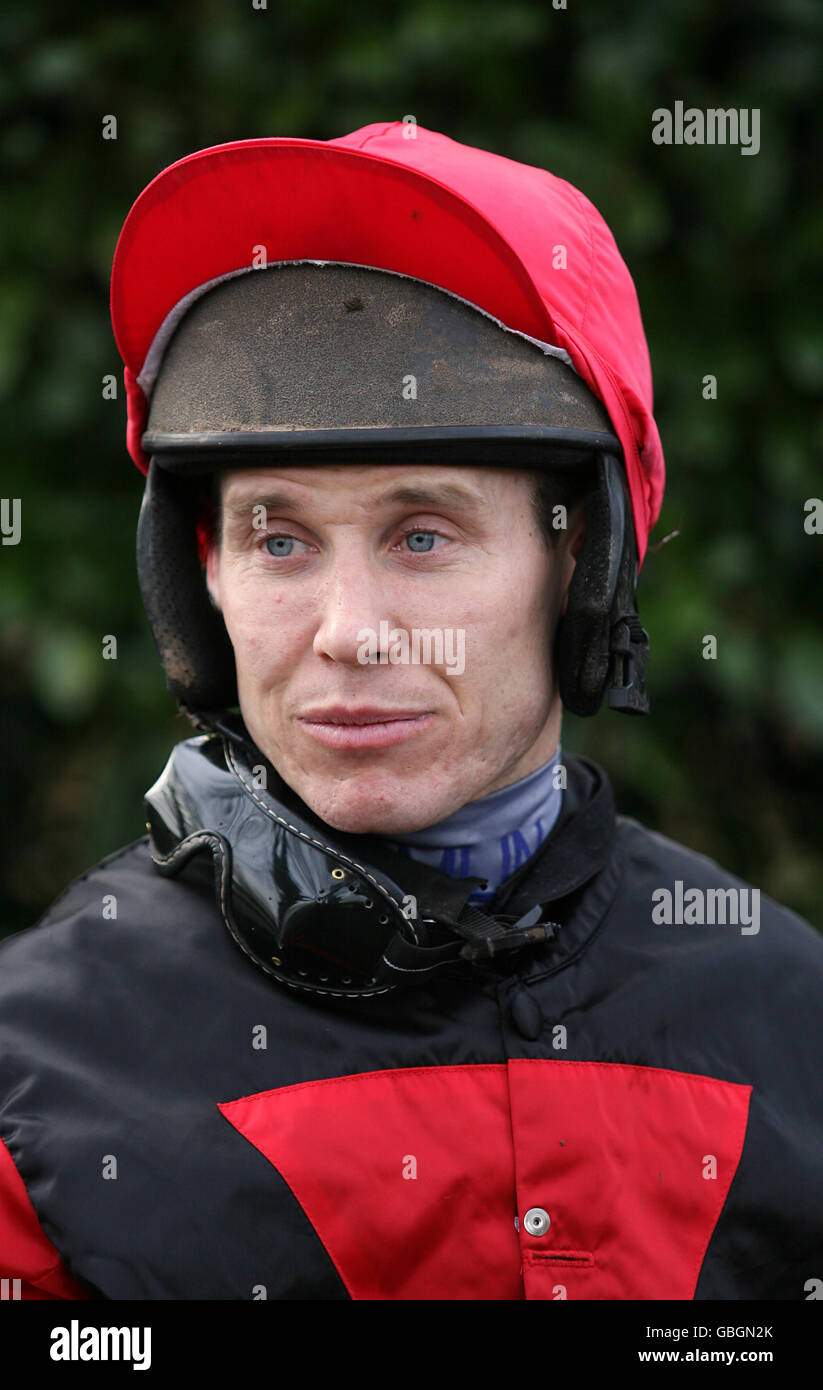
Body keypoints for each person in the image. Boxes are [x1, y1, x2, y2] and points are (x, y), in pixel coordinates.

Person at [1, 123, 821, 1303]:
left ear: (580, 563)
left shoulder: (791, 1019)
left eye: (422, 536)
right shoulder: (35, 1082)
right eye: (277, 538)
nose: (348, 630)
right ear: (205, 578)